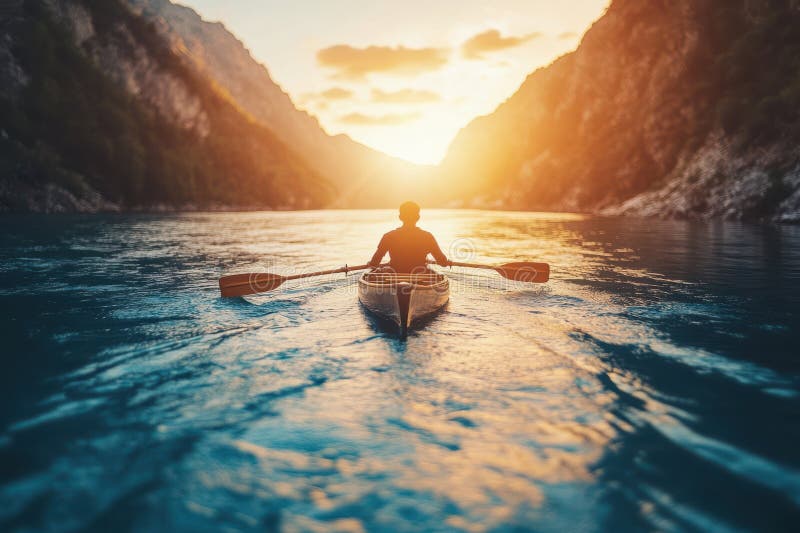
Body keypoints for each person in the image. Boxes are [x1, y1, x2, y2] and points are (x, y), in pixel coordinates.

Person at [368, 201, 450, 273]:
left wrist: (370, 264)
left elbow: (374, 263)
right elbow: (442, 262)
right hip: (420, 274)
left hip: (395, 272)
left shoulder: (388, 236)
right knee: (434, 274)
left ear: (400, 217)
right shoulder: (427, 236)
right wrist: (446, 262)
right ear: (418, 217)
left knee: (375, 272)